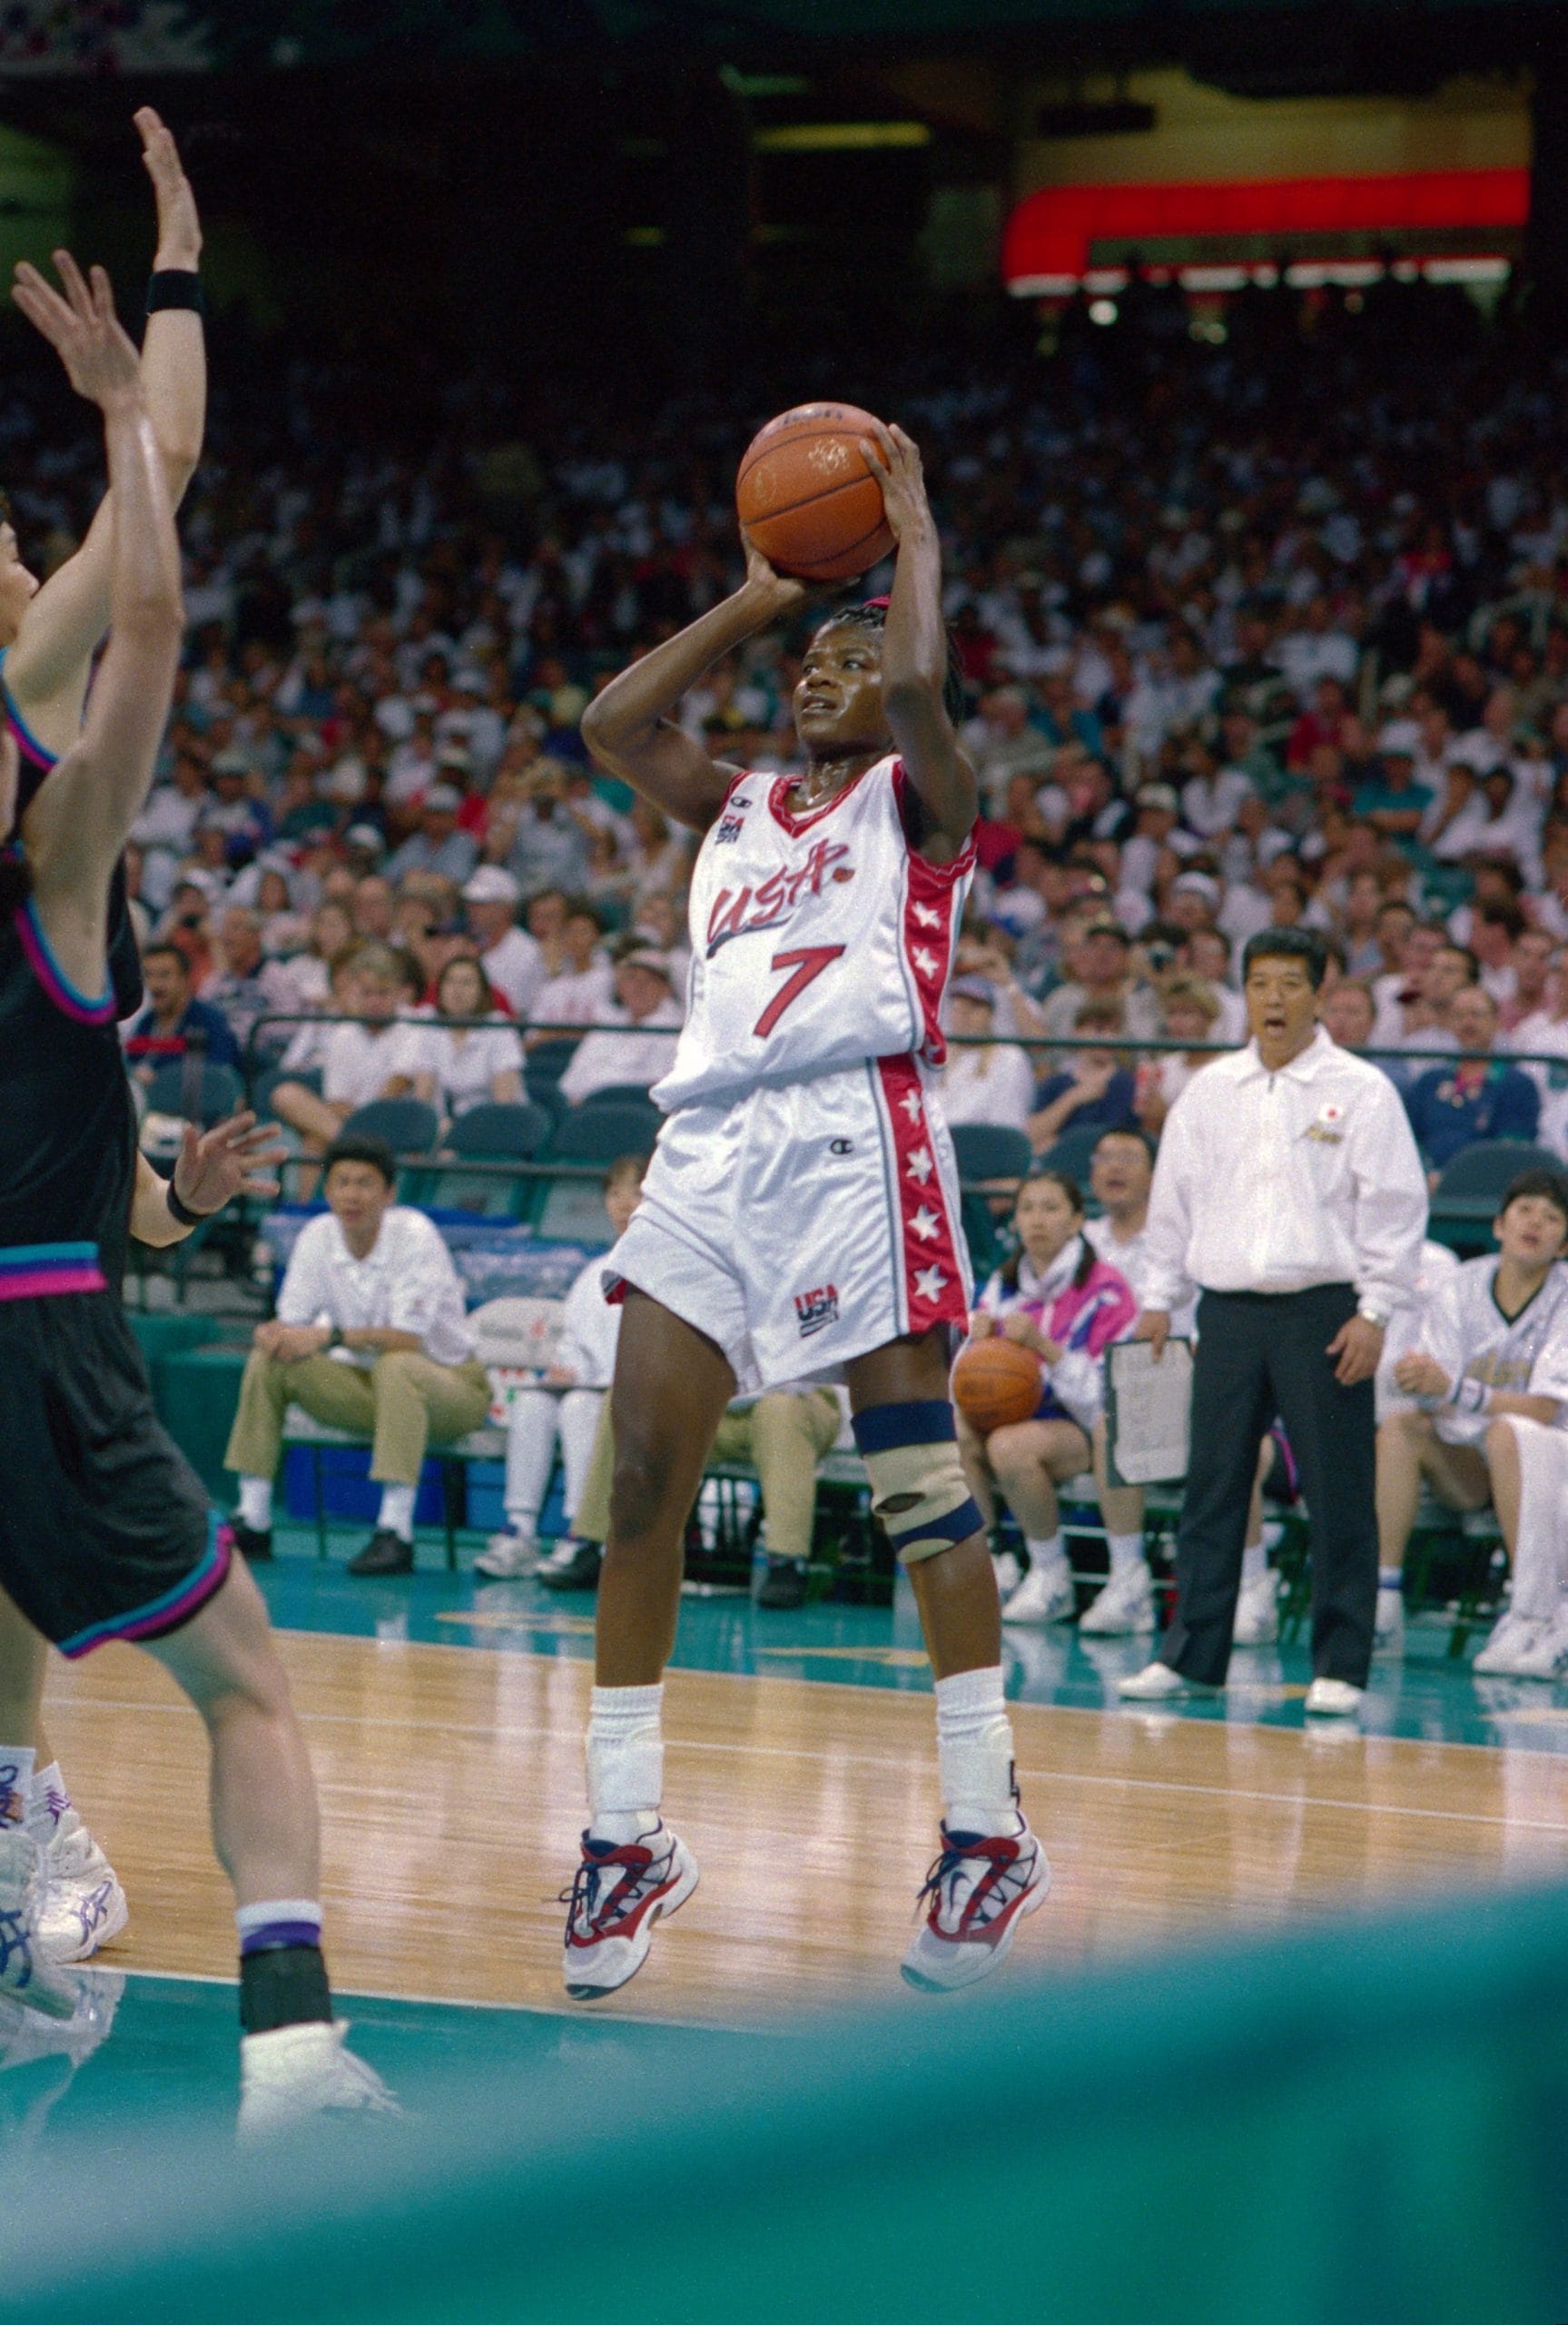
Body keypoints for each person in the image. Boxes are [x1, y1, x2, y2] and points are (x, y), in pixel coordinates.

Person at [563, 420, 1050, 2002]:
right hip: (709, 1152)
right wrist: (764, 596)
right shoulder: (734, 807)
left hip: (857, 1136)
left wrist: (908, 545)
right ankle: (626, 1836)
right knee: (639, 1477)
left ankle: (986, 1830)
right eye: (812, 662)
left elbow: (917, 688)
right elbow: (611, 717)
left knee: (914, 1492)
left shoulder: (924, 805)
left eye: (850, 654)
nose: (824, 676)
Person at [0, 246, 389, 2128]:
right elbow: (149, 568)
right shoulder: (43, 793)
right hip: (33, 1325)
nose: (24, 555)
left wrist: (156, 1192)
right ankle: (294, 2050)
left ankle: (11, 1854)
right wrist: (124, 394)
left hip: (54, 1237)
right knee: (247, 1688)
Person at [1121, 927, 1427, 1717]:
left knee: (1338, 1491)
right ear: (1244, 993)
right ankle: (1191, 1655)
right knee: (1212, 1487)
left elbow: (1394, 1210)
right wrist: (1159, 1296)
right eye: (1260, 983)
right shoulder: (1209, 1089)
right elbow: (1171, 1205)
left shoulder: (1360, 1090)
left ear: (1319, 996)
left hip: (1324, 1312)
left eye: (1291, 983)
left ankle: (1340, 1663)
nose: (1274, 999)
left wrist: (1376, 1311)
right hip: (1224, 1310)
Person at [223, 1134, 492, 1578]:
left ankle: (395, 1532)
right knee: (269, 1360)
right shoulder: (316, 1236)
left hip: (451, 1392)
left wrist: (327, 1337)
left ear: (389, 1194)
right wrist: (273, 1334)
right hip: (370, 1391)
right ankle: (253, 1518)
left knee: (398, 1365)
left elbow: (407, 1340)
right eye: (342, 1182)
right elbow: (294, 1325)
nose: (352, 1194)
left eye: (365, 1183)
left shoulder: (415, 1235)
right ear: (326, 1191)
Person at [1376, 1172, 1568, 1677]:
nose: (1536, 1223)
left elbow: (1544, 1410)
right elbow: (1433, 1392)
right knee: (1400, 1428)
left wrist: (1455, 1389)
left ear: (1564, 1244)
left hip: (1550, 1464)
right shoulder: (1461, 1286)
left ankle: (1534, 1609)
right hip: (1469, 1461)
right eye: (1525, 1210)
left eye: (1552, 1218)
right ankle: (1384, 1601)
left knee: (1509, 1431)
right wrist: (1416, 1379)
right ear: (1499, 1225)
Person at [956, 1172, 1138, 1625]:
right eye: (1027, 1208)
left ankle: (1053, 1575)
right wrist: (972, 1350)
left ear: (1078, 1220)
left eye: (1051, 1208)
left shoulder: (1108, 1290)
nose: (1037, 1220)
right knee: (954, 1426)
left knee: (1009, 1446)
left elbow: (1106, 1402)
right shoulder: (1001, 1287)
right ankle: (996, 1556)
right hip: (1022, 1419)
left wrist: (1045, 1349)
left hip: (1087, 1428)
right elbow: (969, 1384)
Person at [476, 1154, 646, 1579]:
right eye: (614, 1193)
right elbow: (575, 1345)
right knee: (534, 1401)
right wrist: (564, 1370)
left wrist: (591, 1382)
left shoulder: (674, 1271)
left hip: (641, 1403)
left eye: (637, 1192)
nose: (624, 1204)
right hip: (594, 1389)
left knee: (581, 1407)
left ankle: (582, 1532)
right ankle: (520, 1531)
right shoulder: (593, 1275)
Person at [1403, 984, 1541, 1181]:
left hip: (1482, 1192)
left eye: (1476, 1014)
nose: (1467, 1022)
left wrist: (1451, 1181)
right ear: (1449, 1022)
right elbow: (1408, 1140)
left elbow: (1510, 1153)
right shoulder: (1430, 1081)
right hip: (1425, 1186)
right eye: (1459, 1015)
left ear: (1496, 1021)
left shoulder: (1517, 1084)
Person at [557, 946, 681, 1103]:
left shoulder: (673, 1031)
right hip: (585, 1110)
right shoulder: (607, 1026)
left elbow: (656, 1085)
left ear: (665, 989)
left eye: (649, 980)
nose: (638, 987)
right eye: (631, 979)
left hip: (634, 1112)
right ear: (620, 987)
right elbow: (572, 1079)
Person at [411, 953, 525, 1121]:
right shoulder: (432, 1027)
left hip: (494, 1127)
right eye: (450, 981)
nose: (457, 990)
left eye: (467, 982)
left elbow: (504, 1103)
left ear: (483, 990)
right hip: (443, 1129)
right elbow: (422, 1098)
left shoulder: (499, 1026)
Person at [123, 939, 241, 1077]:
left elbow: (219, 1077)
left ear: (184, 979)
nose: (154, 985)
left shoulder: (210, 1022)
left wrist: (160, 1080)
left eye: (164, 975)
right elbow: (129, 1066)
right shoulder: (146, 1023)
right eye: (148, 975)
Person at [939, 974, 1034, 1132]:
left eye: (974, 1007)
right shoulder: (939, 1057)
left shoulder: (1009, 1057)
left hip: (984, 1144)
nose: (964, 1014)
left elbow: (1009, 1122)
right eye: (958, 1007)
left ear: (990, 1014)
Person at [460, 865, 545, 1018]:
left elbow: (517, 1010)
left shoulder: (527, 951)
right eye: (470, 904)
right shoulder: (469, 945)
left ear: (505, 908)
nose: (471, 910)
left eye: (481, 904)